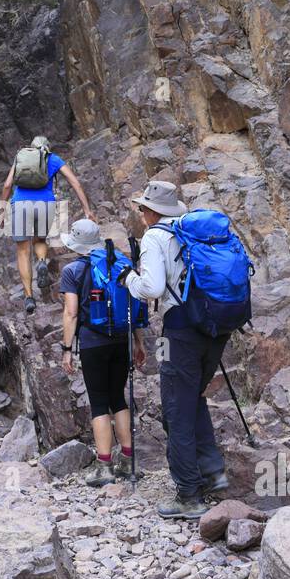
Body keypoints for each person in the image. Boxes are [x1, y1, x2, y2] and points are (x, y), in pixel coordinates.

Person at [119, 180, 228, 520]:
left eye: (142, 208)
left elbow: (150, 288)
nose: (140, 213)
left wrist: (127, 279)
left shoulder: (154, 236)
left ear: (152, 212)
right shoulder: (190, 232)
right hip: (215, 327)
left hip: (177, 330)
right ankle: (213, 473)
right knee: (192, 396)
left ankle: (188, 495)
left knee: (175, 408)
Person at [58, 219, 145, 487]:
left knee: (98, 402)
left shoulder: (72, 271)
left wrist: (67, 349)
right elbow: (133, 305)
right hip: (121, 339)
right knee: (118, 398)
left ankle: (104, 466)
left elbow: (71, 313)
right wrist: (138, 342)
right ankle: (128, 462)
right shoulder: (118, 263)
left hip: (93, 342)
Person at [0, 135, 92, 314]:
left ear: (31, 147)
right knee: (40, 239)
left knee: (23, 251)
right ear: (48, 148)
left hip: (20, 203)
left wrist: (2, 210)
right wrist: (87, 210)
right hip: (46, 204)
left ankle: (28, 297)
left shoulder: (21, 157)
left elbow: (7, 185)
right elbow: (75, 183)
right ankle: (41, 261)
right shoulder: (53, 159)